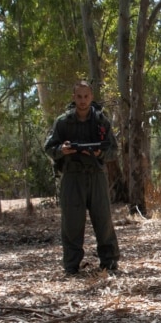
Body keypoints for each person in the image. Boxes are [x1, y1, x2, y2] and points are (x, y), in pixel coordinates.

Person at [44, 82, 120, 275]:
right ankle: (71, 265)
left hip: (96, 176)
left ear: (91, 97)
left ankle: (109, 262)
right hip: (72, 177)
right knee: (71, 223)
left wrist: (99, 153)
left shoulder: (101, 121)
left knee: (103, 220)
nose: (83, 100)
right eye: (79, 96)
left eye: (86, 96)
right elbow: (49, 148)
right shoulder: (63, 122)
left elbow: (114, 150)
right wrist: (62, 150)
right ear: (73, 97)